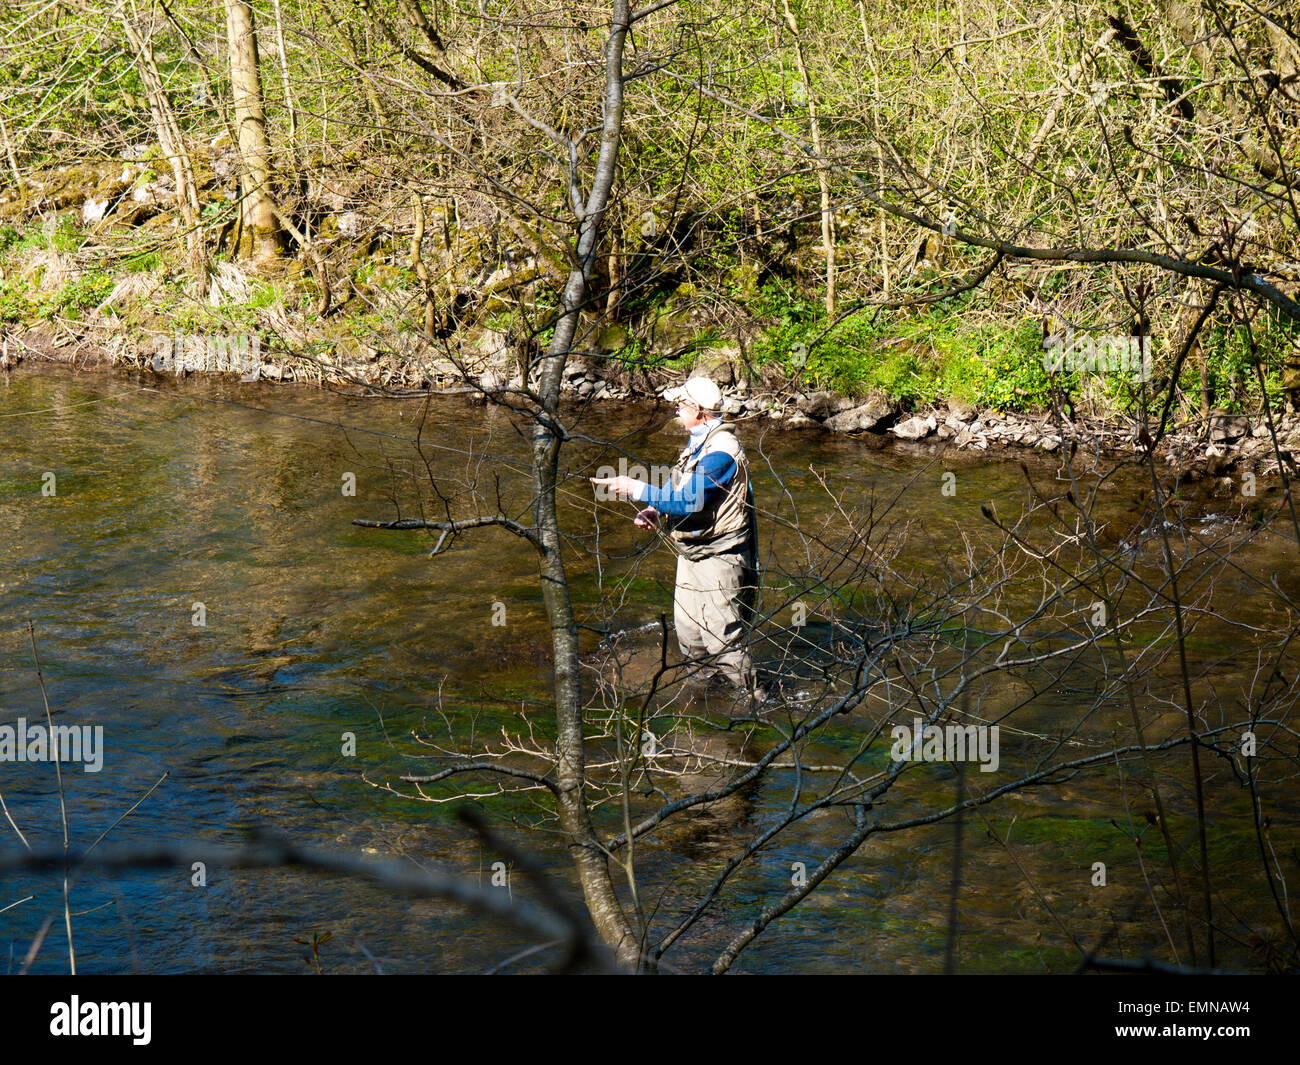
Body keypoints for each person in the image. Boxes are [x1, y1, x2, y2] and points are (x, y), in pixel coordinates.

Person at [592, 376, 763, 702]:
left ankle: (757, 702)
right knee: (690, 638)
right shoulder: (699, 441)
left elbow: (691, 499)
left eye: (682, 405)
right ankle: (704, 702)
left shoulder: (722, 454)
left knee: (722, 642)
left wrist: (637, 488)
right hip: (691, 553)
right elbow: (680, 488)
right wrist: (656, 508)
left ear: (698, 410)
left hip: (720, 557)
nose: (677, 409)